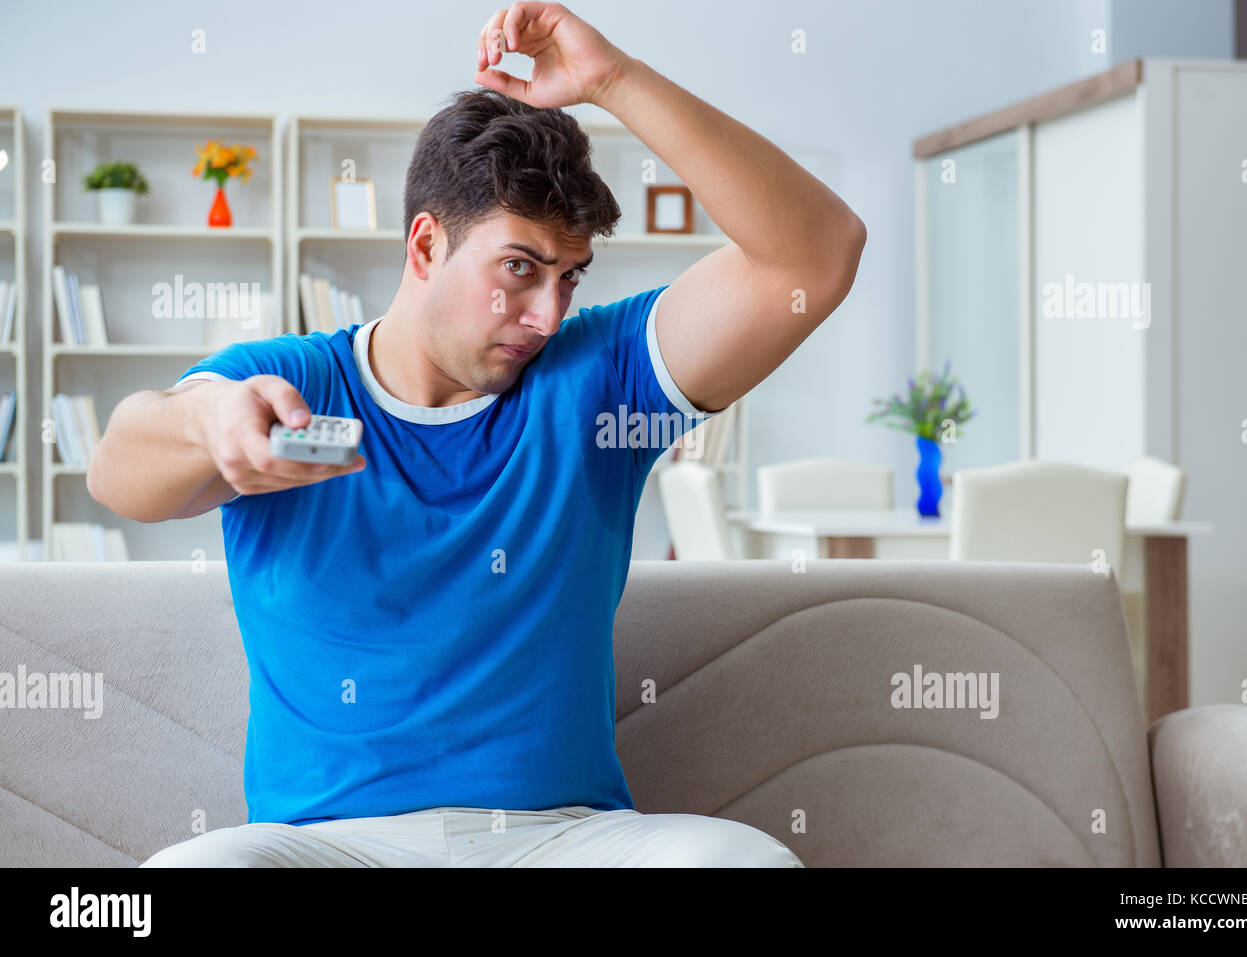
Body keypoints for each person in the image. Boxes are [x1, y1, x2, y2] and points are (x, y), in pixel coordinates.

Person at [88, 1, 865, 867]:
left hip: (566, 837)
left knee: (743, 861)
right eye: (519, 269)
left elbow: (818, 254)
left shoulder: (601, 382)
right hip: (328, 847)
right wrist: (207, 423)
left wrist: (612, 80)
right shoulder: (291, 381)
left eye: (570, 276)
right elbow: (118, 471)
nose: (546, 313)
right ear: (425, 246)